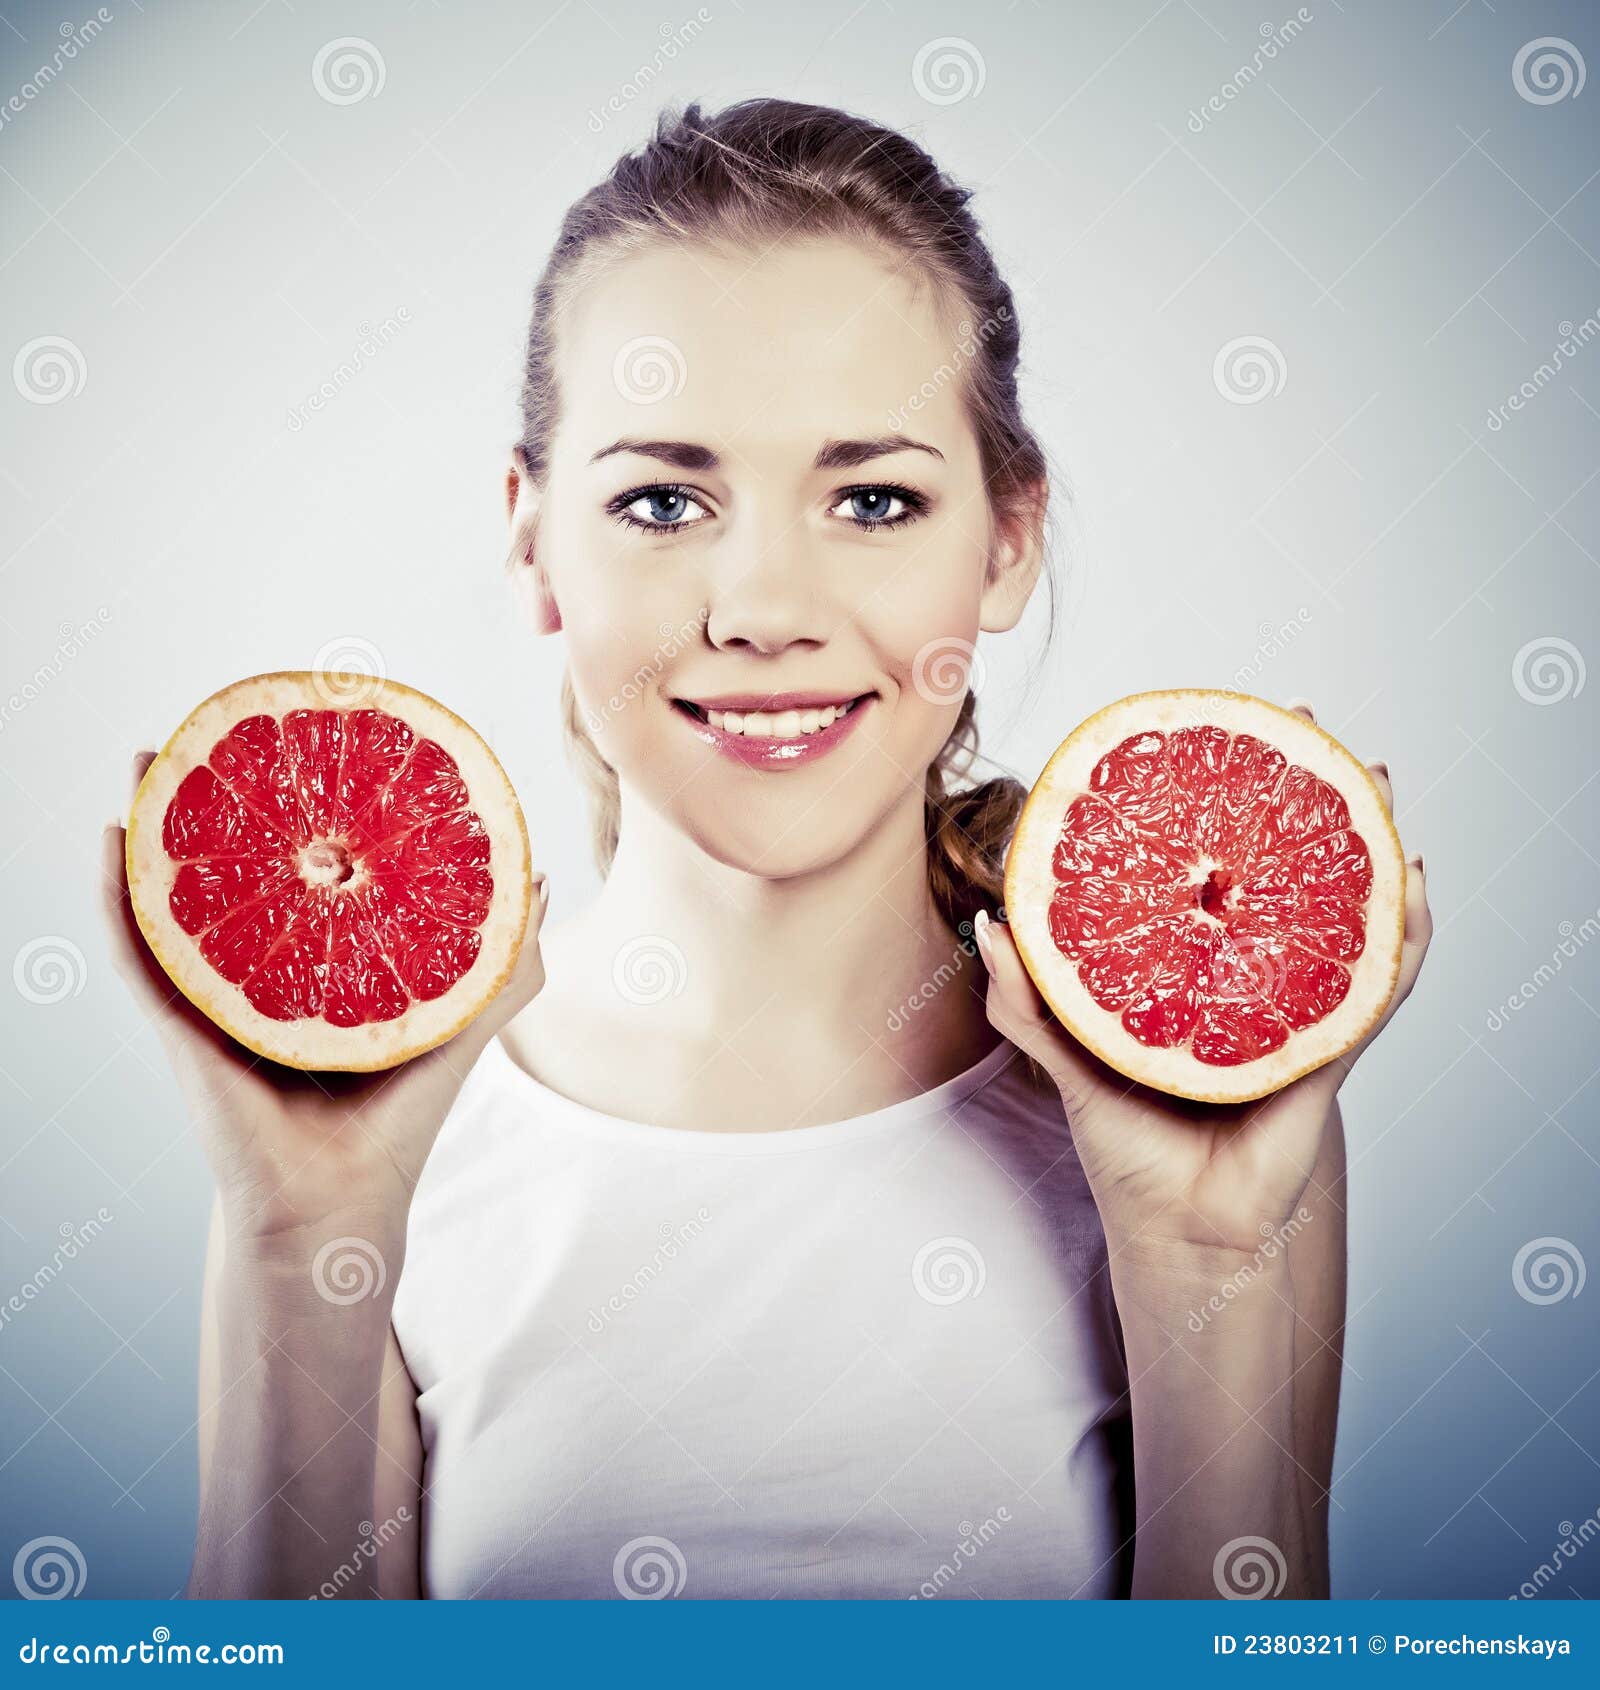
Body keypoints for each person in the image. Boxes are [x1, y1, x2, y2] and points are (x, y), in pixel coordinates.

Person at [102, 97, 1432, 1600]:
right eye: (663, 501)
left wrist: (1204, 1260)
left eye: (873, 499)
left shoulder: (1192, 1111)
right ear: (532, 537)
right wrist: (302, 1242)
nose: (764, 610)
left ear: (1008, 541)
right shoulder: (380, 1121)